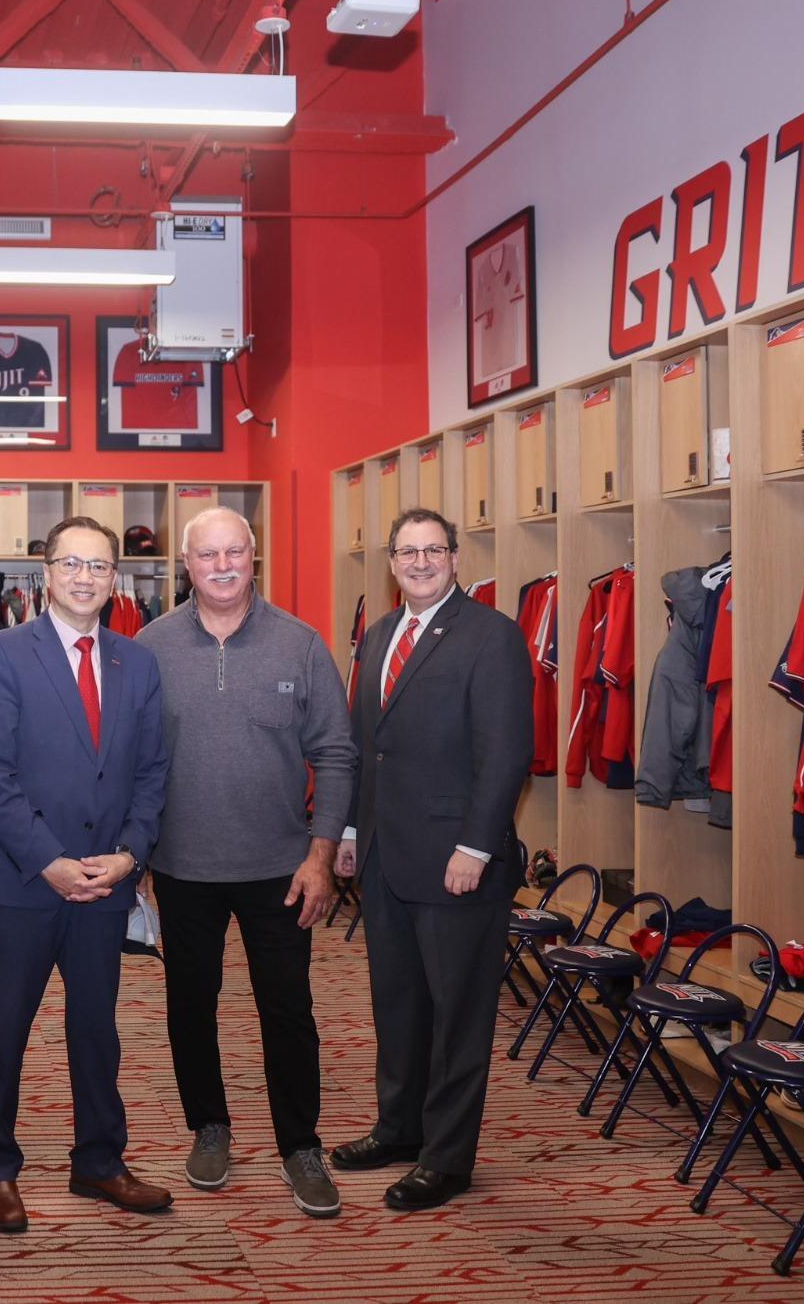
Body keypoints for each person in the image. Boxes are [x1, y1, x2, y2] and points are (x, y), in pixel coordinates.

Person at [136, 506, 357, 1216]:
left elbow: (336, 753)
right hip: (182, 865)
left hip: (280, 868)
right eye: (208, 554)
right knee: (189, 1007)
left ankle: (301, 1144)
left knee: (288, 1010)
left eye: (235, 551)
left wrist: (322, 856)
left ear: (253, 555)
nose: (223, 565)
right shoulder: (150, 646)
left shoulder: (300, 644)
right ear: (187, 564)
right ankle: (210, 1125)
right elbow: (131, 761)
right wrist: (134, 854)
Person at [0, 515, 172, 1234]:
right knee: (4, 1031)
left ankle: (99, 1160)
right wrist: (48, 861)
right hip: (23, 879)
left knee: (96, 1030)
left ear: (115, 579)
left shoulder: (137, 662)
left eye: (99, 567)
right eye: (71, 563)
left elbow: (152, 772)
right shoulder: (2, 652)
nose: (85, 577)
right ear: (45, 572)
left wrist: (131, 853)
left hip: (105, 881)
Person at [331, 507, 533, 1211]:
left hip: (457, 860)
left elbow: (506, 753)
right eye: (407, 551)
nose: (419, 562)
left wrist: (476, 845)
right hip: (388, 856)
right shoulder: (381, 633)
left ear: (455, 557)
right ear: (390, 562)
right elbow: (366, 744)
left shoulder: (492, 636)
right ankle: (399, 1127)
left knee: (458, 1016)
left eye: (433, 550)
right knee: (399, 1004)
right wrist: (354, 833)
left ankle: (447, 1157)